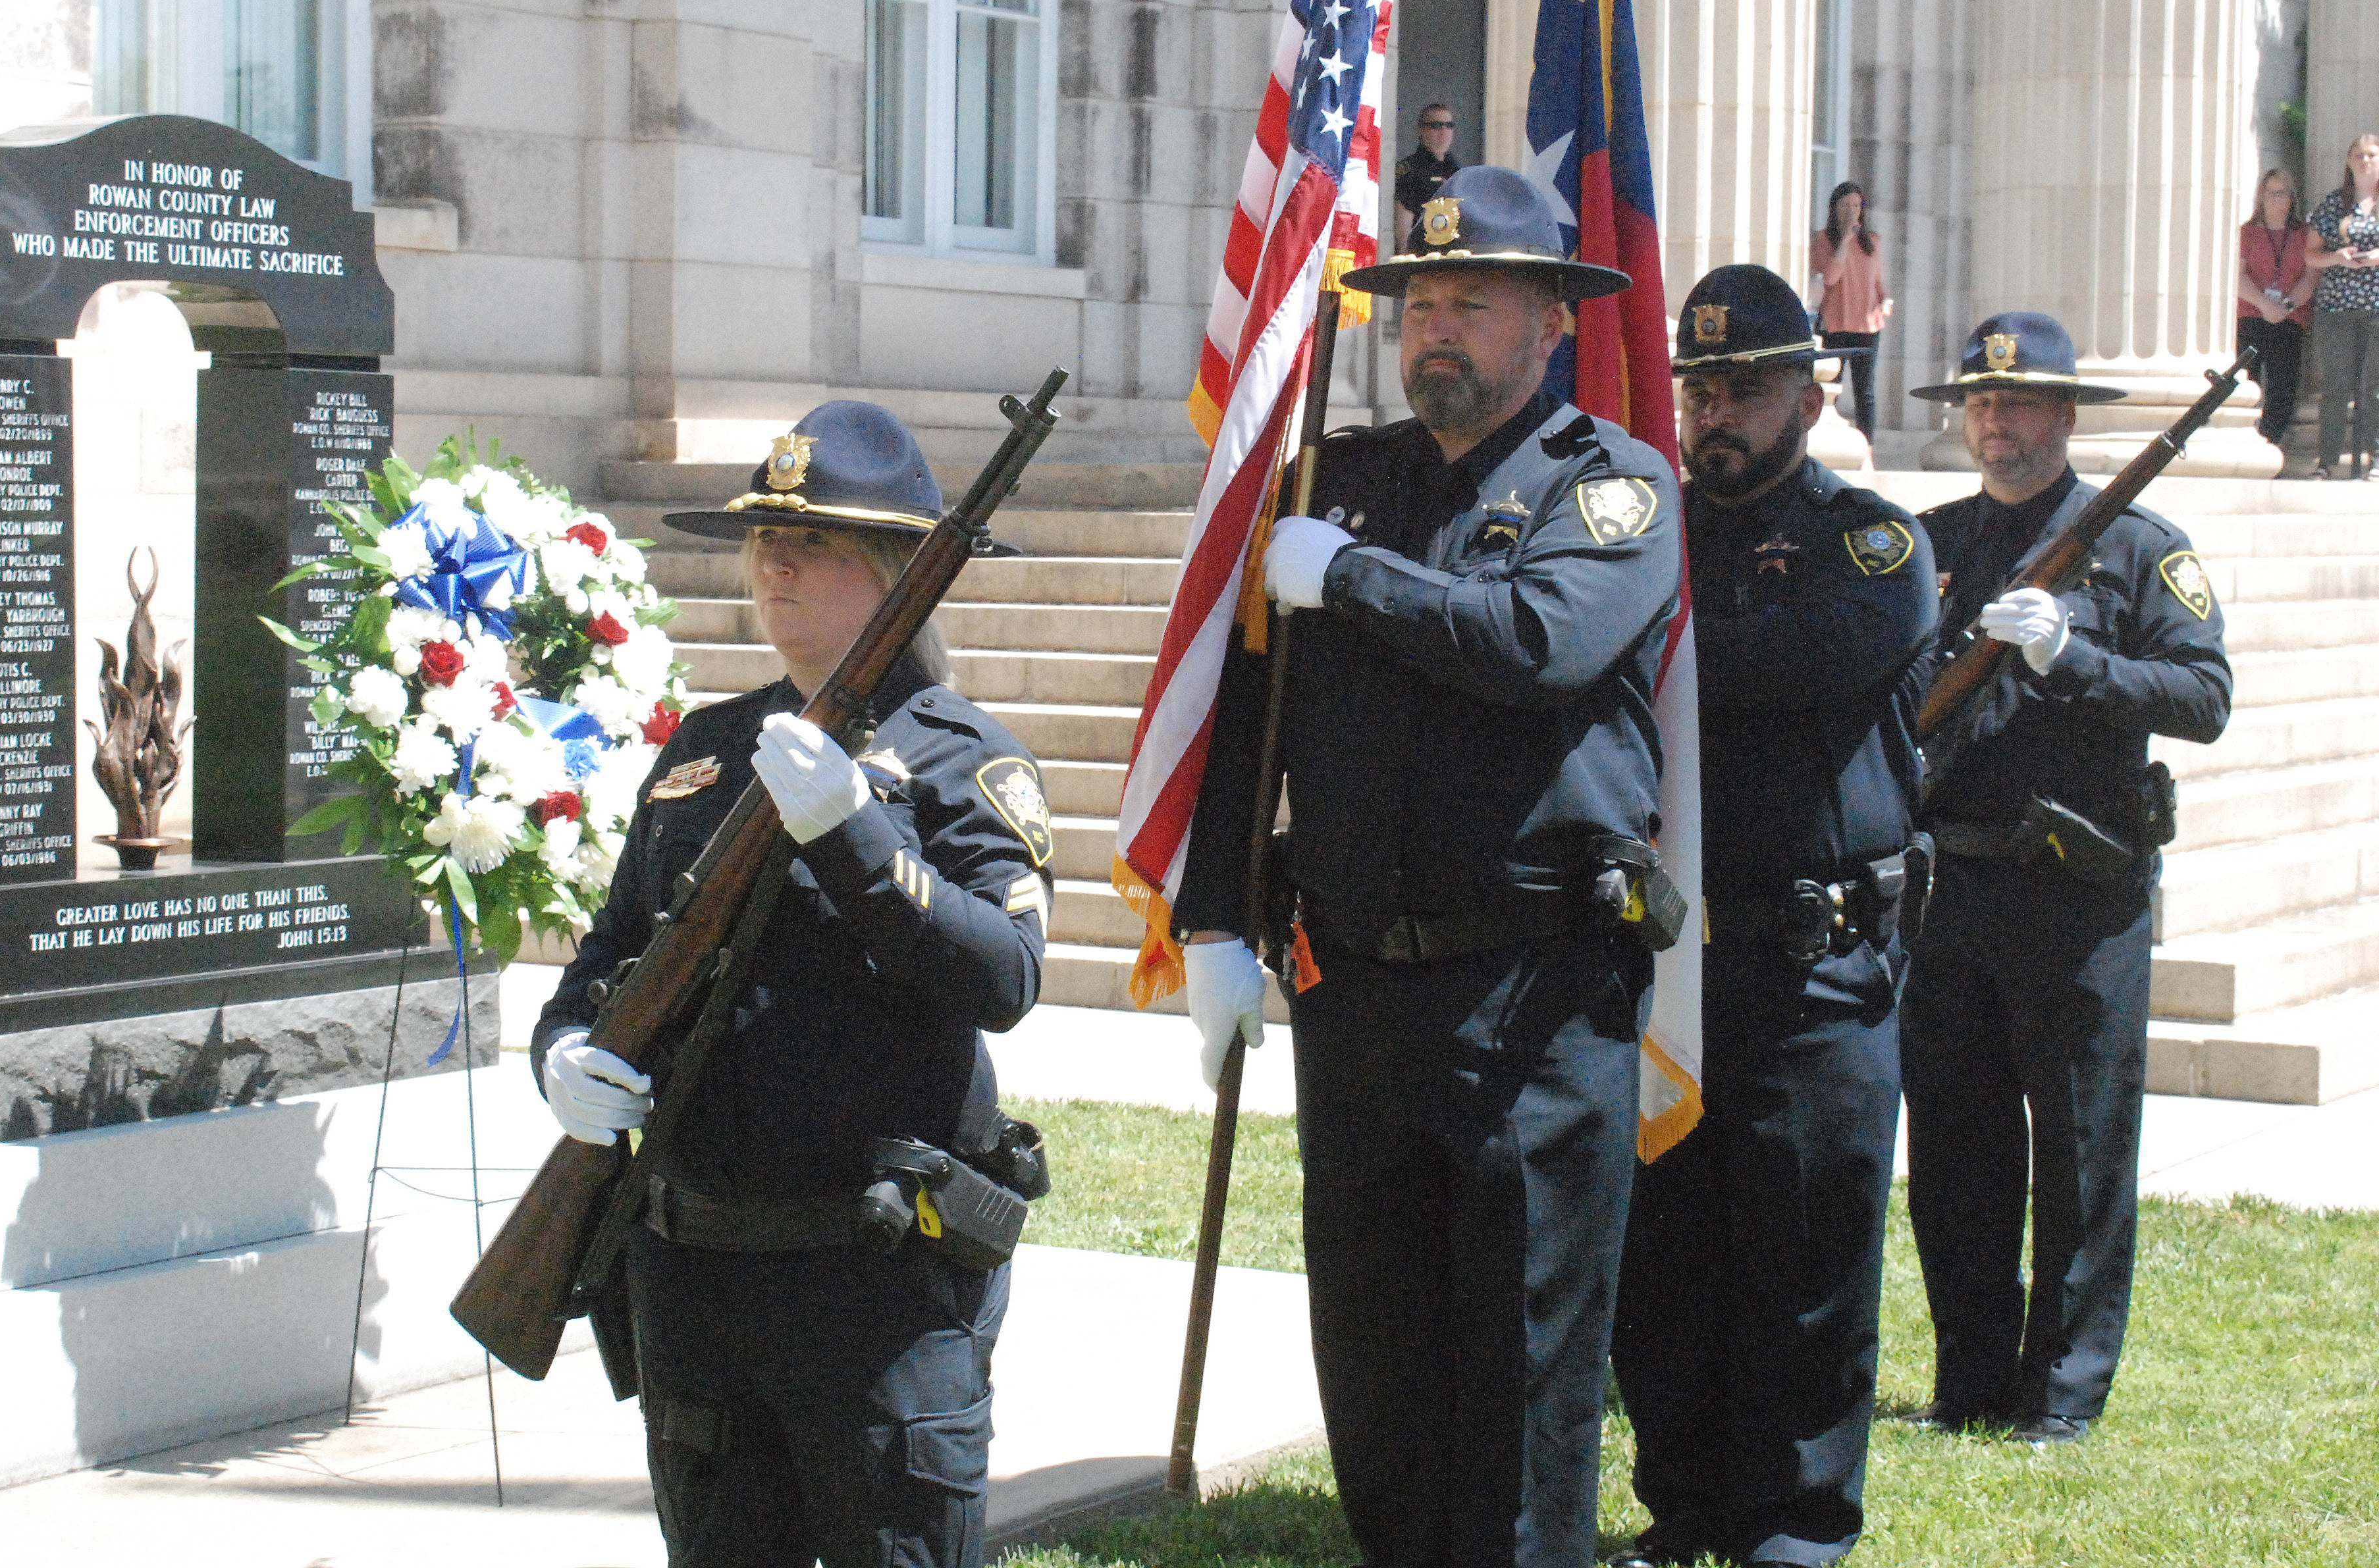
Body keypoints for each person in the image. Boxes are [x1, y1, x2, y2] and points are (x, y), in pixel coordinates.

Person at [1173, 165, 1684, 1568]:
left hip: (1532, 995)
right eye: (1418, 306)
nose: (1436, 330)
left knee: (1521, 1363)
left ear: (1550, 325)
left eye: (1472, 303)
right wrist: (1215, 920)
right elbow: (1248, 720)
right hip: (1352, 989)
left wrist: (1349, 578)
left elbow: (1539, 643)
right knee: (1376, 1350)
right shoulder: (1336, 483)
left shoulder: (1612, 483)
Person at [531, 401, 1054, 1567]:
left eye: (813, 541)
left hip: (873, 1292)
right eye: (766, 537)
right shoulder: (705, 750)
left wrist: (855, 832)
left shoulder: (960, 759)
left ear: (895, 573)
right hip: (698, 1281)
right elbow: (608, 959)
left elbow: (1006, 975)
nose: (775, 562)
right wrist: (561, 1055)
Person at [1609, 266, 1934, 1568]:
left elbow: (1798, 661)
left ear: (1809, 395)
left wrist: (1630, 644)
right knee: (1667, 1262)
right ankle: (1685, 1508)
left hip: (1814, 971)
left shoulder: (1873, 545)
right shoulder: (1648, 535)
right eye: (1698, 389)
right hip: (1676, 960)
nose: (1715, 413)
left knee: (1805, 1265)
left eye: (1744, 388)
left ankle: (1795, 1528)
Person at [1899, 315, 2230, 1448]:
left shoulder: (2138, 549)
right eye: (1982, 402)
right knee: (1957, 1148)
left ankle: (2064, 1393)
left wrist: (2071, 657)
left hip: (2078, 892)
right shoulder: (1934, 542)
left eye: (2021, 401)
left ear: (2066, 415)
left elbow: (2203, 698)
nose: (1996, 420)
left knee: (2081, 1149)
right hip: (1952, 886)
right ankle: (1970, 1381)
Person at [2307, 133, 2379, 477]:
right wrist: (2338, 257)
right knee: (2336, 386)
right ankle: (2327, 462)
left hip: (2376, 306)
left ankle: (2374, 458)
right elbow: (2310, 255)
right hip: (2336, 307)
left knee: (2374, 387)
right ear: (2349, 162)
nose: (2365, 161)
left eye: (2372, 155)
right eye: (2359, 155)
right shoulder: (2334, 204)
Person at [2235, 166, 2316, 452]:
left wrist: (2287, 305)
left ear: (2293, 198)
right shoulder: (2247, 233)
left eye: (2284, 193)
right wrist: (2263, 303)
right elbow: (2237, 276)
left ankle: (2271, 445)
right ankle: (2243, 444)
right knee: (2246, 383)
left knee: (2284, 387)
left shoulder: (2304, 235)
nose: (2279, 199)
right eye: (2272, 193)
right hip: (2251, 316)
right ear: (2261, 196)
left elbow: (2310, 277)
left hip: (2290, 317)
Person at [1808, 182, 1893, 444]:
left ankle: (1867, 450)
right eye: (1845, 205)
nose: (1852, 211)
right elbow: (1829, 279)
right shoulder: (1823, 240)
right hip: (1835, 325)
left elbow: (1877, 282)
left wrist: (1886, 302)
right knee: (1829, 387)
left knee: (1865, 392)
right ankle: (1824, 443)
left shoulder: (1873, 241)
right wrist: (1845, 240)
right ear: (1834, 208)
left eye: (1857, 205)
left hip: (1867, 326)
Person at [1393, 102, 1462, 244]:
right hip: (1423, 249)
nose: (1444, 132)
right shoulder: (1410, 171)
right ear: (1421, 130)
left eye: (1449, 126)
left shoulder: (1457, 171)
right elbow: (1403, 231)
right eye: (1436, 126)